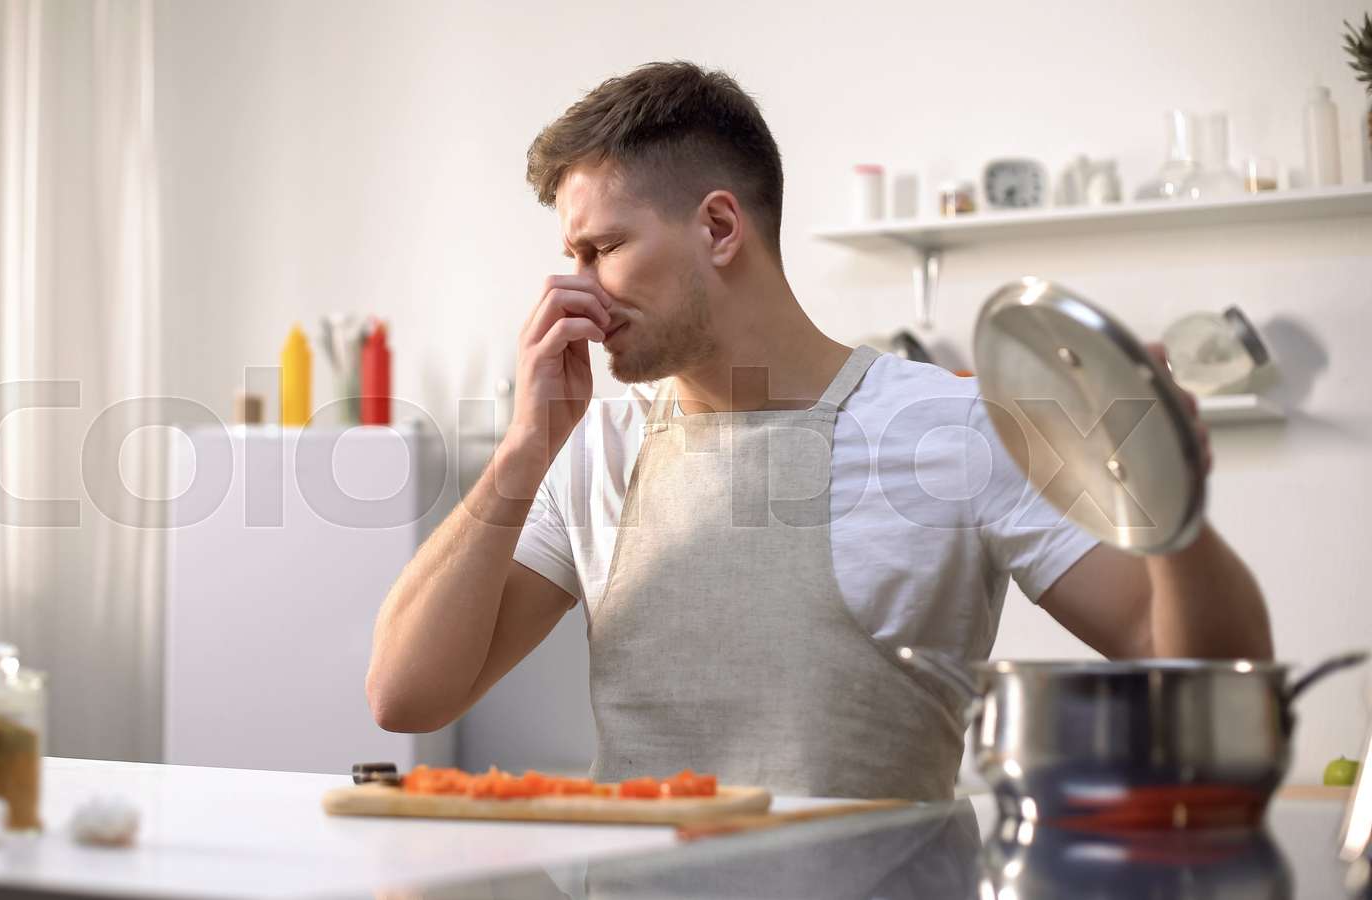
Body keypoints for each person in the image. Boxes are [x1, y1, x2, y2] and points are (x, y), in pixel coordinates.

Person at [366, 61, 1272, 800]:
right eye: (573, 258)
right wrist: (522, 455)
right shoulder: (597, 450)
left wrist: (1168, 498)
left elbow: (1193, 668)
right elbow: (406, 696)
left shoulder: (953, 425)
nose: (579, 290)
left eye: (601, 248)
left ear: (719, 227)